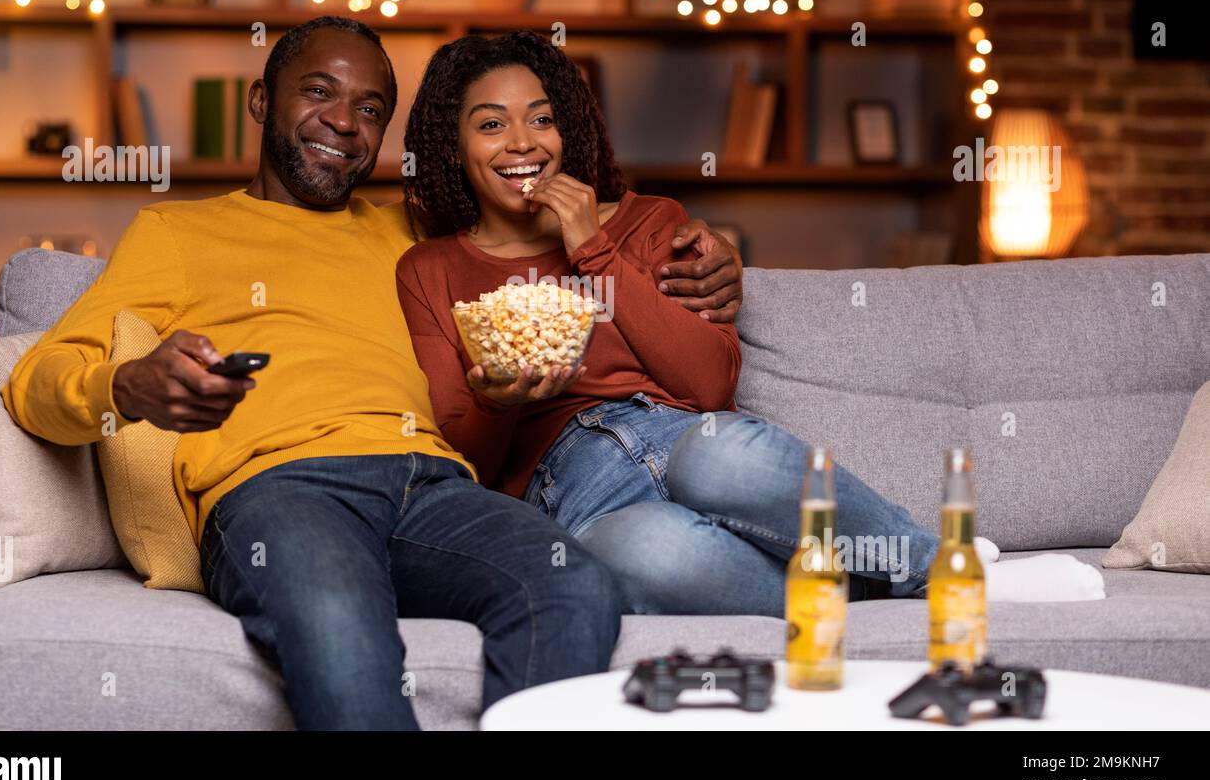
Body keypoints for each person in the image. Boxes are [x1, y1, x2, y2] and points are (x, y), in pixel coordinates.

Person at [0, 17, 739, 730]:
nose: (345, 120)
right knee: (337, 619)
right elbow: (35, 383)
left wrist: (703, 253)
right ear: (262, 101)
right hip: (283, 488)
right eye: (318, 91)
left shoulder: (417, 233)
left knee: (572, 582)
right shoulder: (174, 232)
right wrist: (126, 387)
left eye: (370, 107)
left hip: (434, 485)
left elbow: (551, 220)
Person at [396, 30, 1107, 615]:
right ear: (455, 146)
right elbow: (466, 459)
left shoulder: (648, 223)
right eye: (491, 124)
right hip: (574, 488)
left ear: (568, 127)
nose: (522, 141)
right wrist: (499, 399)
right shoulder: (429, 270)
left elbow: (706, 384)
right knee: (649, 552)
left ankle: (947, 569)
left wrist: (592, 244)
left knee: (721, 453)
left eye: (542, 116)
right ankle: (901, 585)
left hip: (678, 433)